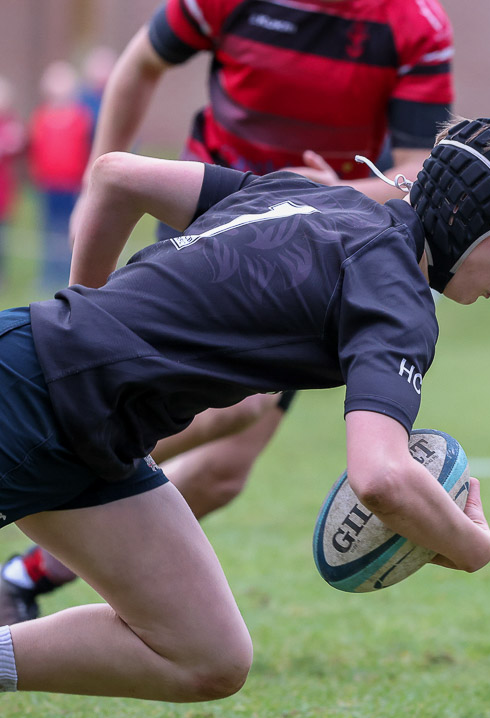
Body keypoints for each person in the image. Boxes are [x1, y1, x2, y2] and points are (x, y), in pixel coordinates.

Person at [0, 116, 490, 702]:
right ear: (469, 221)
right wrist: (473, 548)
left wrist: (80, 315)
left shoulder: (309, 196)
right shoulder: (396, 299)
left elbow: (117, 177)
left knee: (207, 655)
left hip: (97, 438)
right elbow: (381, 478)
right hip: (27, 400)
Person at [1, 0, 458, 624]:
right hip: (217, 217)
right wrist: (90, 188)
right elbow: (139, 65)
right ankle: (61, 444)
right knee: (219, 407)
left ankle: (23, 573)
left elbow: (415, 172)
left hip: (323, 253)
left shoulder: (414, 25)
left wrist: (334, 196)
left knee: (223, 471)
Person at [28, 61, 92, 292]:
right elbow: (36, 149)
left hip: (72, 185)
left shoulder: (80, 117)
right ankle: (49, 273)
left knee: (71, 229)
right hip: (48, 185)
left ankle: (70, 273)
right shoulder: (41, 117)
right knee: (49, 229)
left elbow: (86, 148)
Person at [0, 77, 24, 291]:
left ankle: (2, 275)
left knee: (3, 237)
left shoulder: (12, 124)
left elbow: (16, 146)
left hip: (3, 192)